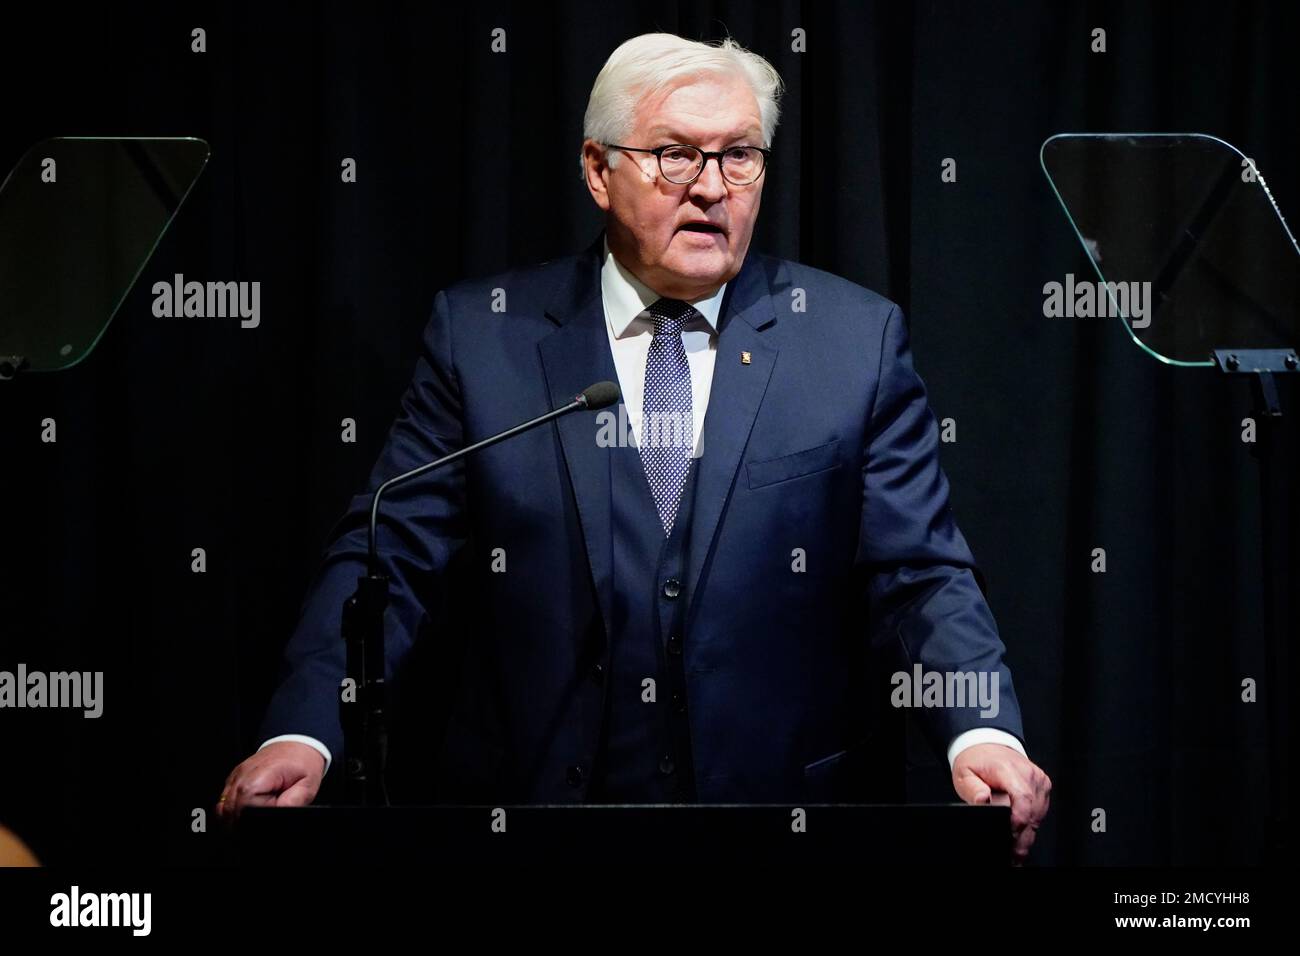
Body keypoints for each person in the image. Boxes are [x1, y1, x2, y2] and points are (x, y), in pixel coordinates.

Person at [218, 32, 1050, 862]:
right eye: (676, 156)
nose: (712, 189)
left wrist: (981, 732)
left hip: (781, 819)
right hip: (537, 815)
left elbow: (921, 573)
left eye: (739, 156)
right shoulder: (483, 339)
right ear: (596, 170)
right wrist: (306, 731)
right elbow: (387, 557)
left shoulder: (852, 341)